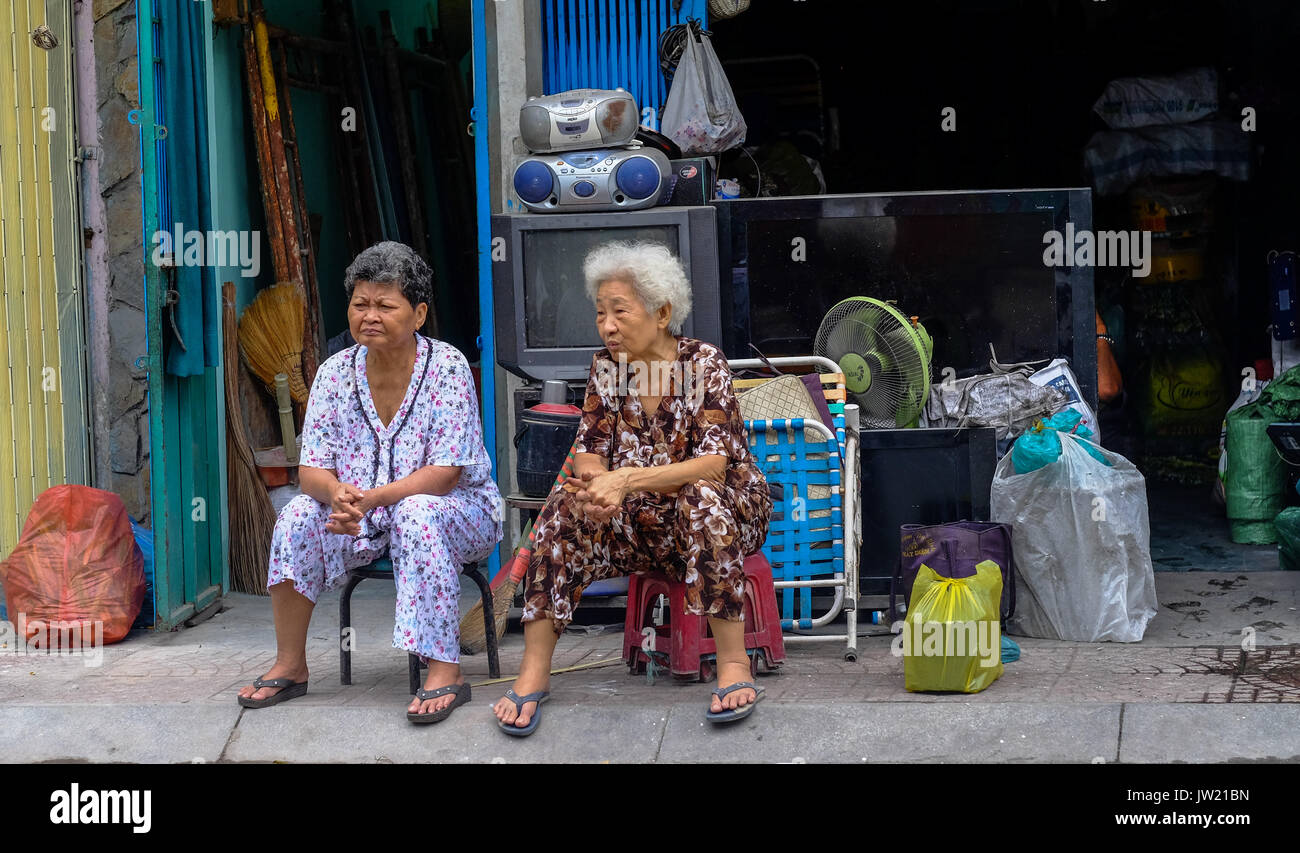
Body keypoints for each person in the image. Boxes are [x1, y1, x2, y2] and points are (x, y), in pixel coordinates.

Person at [491, 241, 773, 735]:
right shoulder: (609, 368)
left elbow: (711, 464)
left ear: (662, 312)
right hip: (639, 522)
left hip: (721, 516)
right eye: (600, 313)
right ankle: (534, 673)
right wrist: (597, 487)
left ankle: (733, 665)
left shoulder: (702, 364)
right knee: (561, 510)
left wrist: (624, 479)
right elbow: (589, 446)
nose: (607, 326)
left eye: (620, 311)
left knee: (700, 500)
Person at [237, 241, 502, 723]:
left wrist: (371, 499)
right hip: (360, 515)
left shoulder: (448, 367)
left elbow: (445, 475)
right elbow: (311, 469)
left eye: (385, 305)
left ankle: (445, 670)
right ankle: (291, 665)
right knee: (297, 515)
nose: (370, 315)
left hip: (458, 512)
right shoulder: (333, 373)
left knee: (416, 513)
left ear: (419, 313)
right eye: (361, 304)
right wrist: (336, 494)